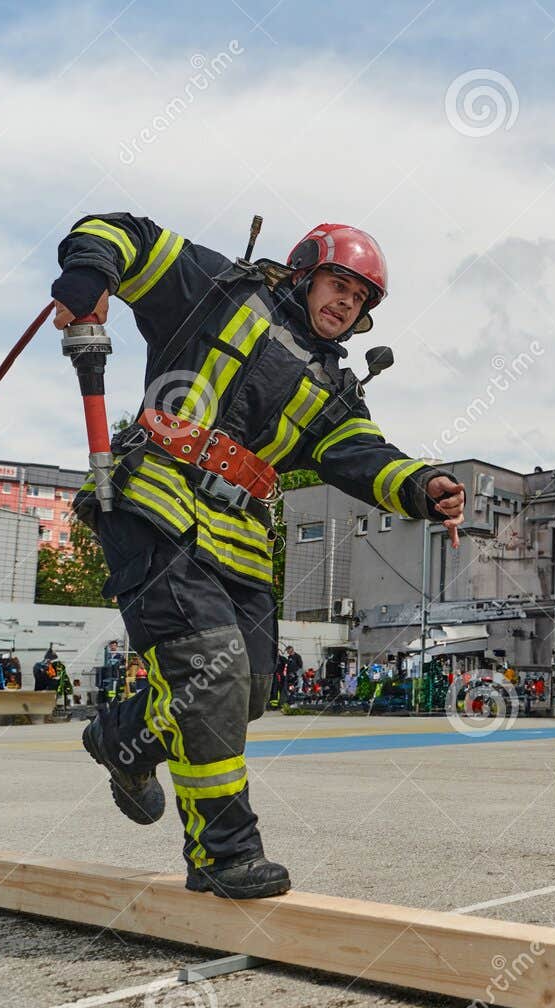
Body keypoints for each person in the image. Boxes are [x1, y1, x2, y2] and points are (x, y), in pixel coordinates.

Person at [52, 214, 465, 899]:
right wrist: (90, 273)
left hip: (238, 540)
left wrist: (424, 487)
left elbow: (368, 460)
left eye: (360, 299)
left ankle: (122, 735)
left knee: (244, 695)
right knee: (207, 686)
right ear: (303, 273)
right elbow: (123, 232)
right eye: (338, 284)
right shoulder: (218, 289)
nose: (346, 303)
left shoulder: (336, 391)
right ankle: (223, 853)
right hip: (157, 508)